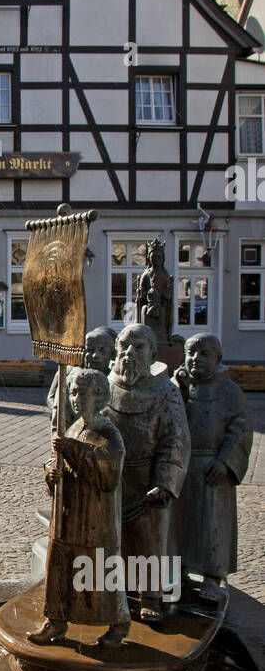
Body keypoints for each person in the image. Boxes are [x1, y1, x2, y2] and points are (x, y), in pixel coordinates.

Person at [29, 369, 129, 648]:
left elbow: (109, 472)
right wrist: (52, 473)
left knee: (100, 569)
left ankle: (118, 623)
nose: (75, 398)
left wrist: (74, 450)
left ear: (98, 396)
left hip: (94, 518)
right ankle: (56, 621)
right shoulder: (73, 428)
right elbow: (54, 460)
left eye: (81, 392)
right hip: (67, 516)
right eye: (72, 392)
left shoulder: (108, 431)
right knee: (60, 566)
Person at [105, 324, 190, 624]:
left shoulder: (165, 391)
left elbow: (175, 439)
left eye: (137, 347)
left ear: (152, 353)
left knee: (149, 540)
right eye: (124, 346)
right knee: (112, 538)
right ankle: (113, 590)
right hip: (113, 478)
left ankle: (150, 596)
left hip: (146, 478)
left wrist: (165, 481)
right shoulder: (107, 385)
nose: (128, 353)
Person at [171, 333, 252, 601]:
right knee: (181, 520)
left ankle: (212, 576)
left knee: (211, 522)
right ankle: (179, 569)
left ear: (217, 359)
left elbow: (240, 429)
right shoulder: (182, 386)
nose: (195, 359)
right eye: (190, 352)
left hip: (212, 468)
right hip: (184, 464)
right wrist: (178, 388)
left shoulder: (230, 392)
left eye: (203, 354)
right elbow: (169, 416)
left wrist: (226, 461)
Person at [47, 326, 116, 432]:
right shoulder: (70, 376)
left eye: (102, 350)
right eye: (90, 350)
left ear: (112, 355)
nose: (96, 355)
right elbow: (52, 400)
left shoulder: (114, 380)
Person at [135, 239, 173, 343]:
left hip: (160, 304)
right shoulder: (146, 274)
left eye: (158, 257)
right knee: (145, 311)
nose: (156, 259)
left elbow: (168, 292)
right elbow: (141, 293)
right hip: (148, 303)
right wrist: (143, 295)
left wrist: (166, 294)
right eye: (153, 257)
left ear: (162, 258)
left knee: (162, 312)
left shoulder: (164, 275)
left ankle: (161, 337)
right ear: (149, 258)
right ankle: (146, 335)